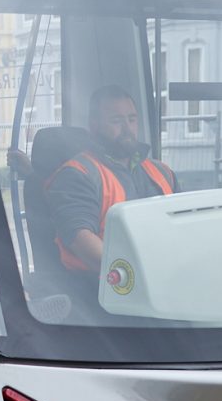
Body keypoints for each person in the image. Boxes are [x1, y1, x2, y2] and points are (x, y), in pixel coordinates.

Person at [44, 86, 177, 277]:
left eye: (132, 119)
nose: (127, 129)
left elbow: (184, 226)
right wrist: (142, 273)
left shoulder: (162, 172)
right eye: (116, 121)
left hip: (164, 277)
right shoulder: (75, 175)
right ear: (94, 125)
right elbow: (83, 242)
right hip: (100, 290)